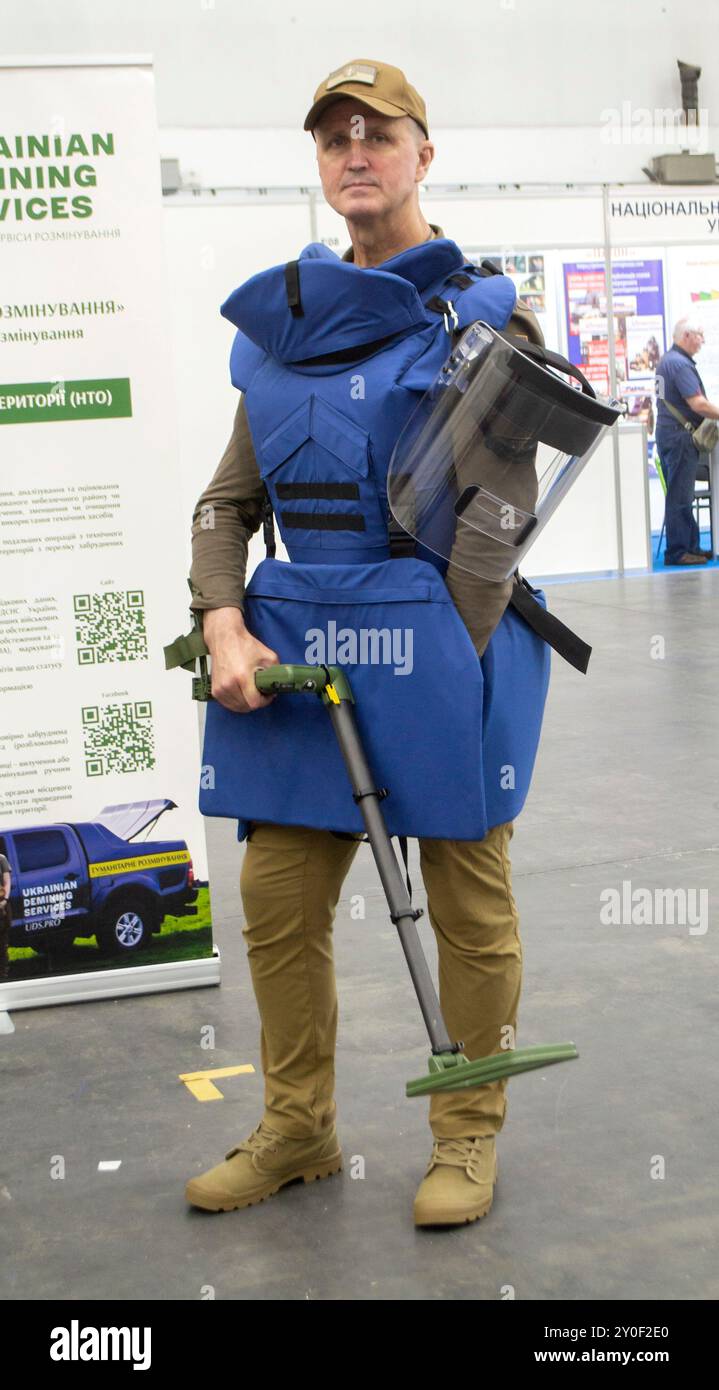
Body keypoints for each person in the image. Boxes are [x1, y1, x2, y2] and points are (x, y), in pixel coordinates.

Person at [183, 60, 551, 1227]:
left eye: (376, 133)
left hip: (442, 637)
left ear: (420, 155)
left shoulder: (482, 313)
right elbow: (225, 505)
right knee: (276, 894)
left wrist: (445, 651)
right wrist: (221, 614)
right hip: (298, 651)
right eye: (334, 136)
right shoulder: (280, 327)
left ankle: (467, 1131)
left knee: (468, 904)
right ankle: (297, 1128)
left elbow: (497, 512)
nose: (354, 151)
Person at [655, 318, 719, 565]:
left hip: (670, 433)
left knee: (682, 493)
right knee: (681, 495)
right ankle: (679, 551)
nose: (702, 341)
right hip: (680, 436)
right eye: (700, 335)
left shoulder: (669, 361)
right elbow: (698, 404)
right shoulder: (680, 365)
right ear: (687, 336)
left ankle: (690, 545)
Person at [0, 850, 12, 982]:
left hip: (2, 906)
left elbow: (7, 882)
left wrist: (4, 900)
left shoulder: (1, 859)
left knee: (2, 945)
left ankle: (3, 977)